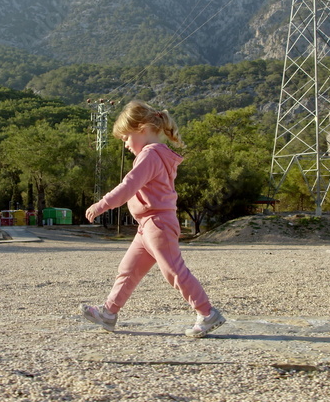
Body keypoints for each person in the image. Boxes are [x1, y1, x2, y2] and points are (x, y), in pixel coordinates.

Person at [80, 101, 225, 338]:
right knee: (128, 270)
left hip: (158, 224)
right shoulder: (156, 154)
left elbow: (128, 186)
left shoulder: (150, 154)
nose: (125, 144)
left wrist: (101, 204)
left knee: (173, 271)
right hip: (147, 225)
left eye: (126, 137)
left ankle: (207, 314)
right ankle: (108, 312)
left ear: (143, 128)